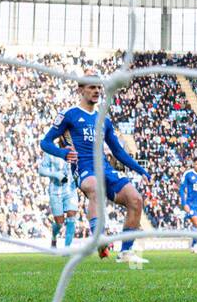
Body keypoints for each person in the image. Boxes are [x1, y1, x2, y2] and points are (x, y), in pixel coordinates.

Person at [40, 81, 150, 264]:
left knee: (136, 199)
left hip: (105, 167)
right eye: (92, 87)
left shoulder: (103, 120)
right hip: (83, 166)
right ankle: (99, 238)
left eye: (99, 88)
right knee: (94, 187)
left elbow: (118, 151)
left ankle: (125, 252)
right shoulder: (69, 114)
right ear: (80, 90)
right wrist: (63, 153)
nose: (97, 91)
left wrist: (140, 169)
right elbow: (45, 142)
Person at [37, 149, 77, 249]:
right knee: (59, 223)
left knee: (71, 216)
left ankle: (67, 248)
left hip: (70, 189)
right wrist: (56, 175)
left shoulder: (73, 148)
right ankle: (54, 236)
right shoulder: (50, 151)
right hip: (55, 191)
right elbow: (41, 170)